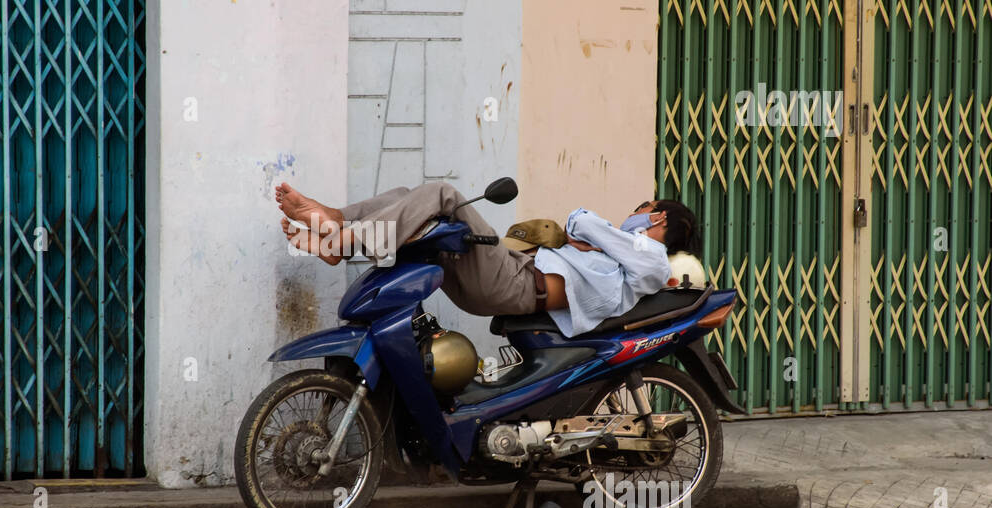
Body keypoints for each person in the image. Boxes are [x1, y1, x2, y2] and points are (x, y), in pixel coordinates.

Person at [275, 180, 701, 336]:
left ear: (657, 215)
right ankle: (336, 220)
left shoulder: (652, 259)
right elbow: (577, 229)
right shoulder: (628, 256)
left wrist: (600, 235)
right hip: (515, 274)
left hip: (515, 284)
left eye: (643, 205)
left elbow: (580, 220)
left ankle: (344, 242)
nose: (635, 210)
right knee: (410, 198)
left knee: (444, 193)